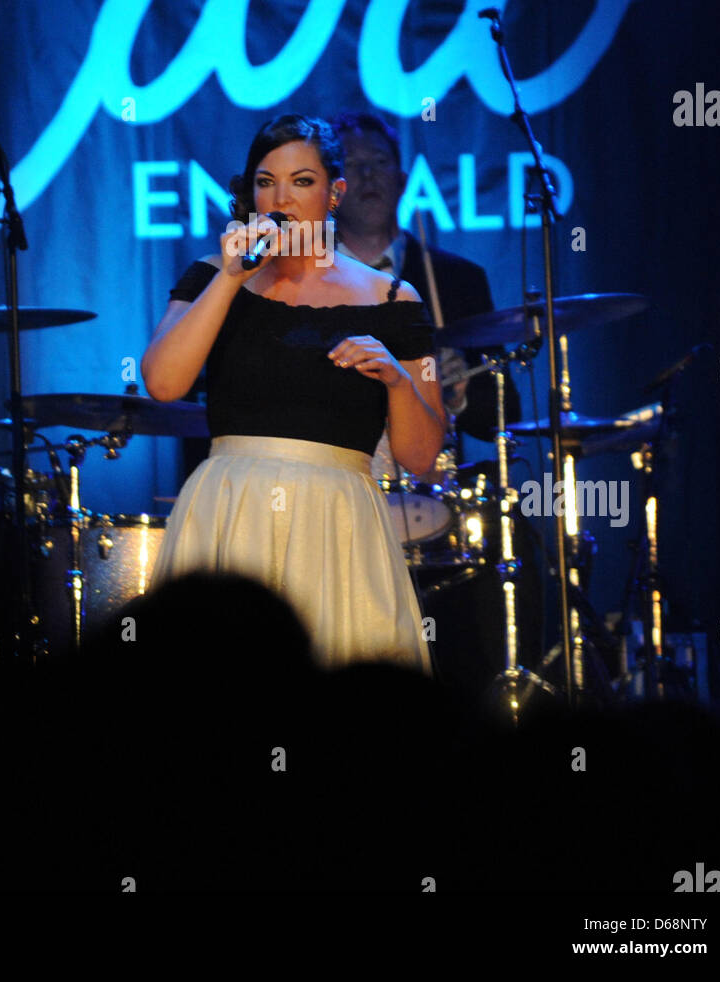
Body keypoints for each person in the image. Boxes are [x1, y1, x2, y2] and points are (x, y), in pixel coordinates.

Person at [141, 114, 444, 673]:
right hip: (230, 508)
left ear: (335, 192)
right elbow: (162, 383)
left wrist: (397, 380)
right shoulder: (212, 275)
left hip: (339, 521)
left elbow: (421, 456)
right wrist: (232, 277)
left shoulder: (394, 299)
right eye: (265, 181)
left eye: (302, 181)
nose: (281, 197)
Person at [330, 111, 520, 441]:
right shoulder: (302, 277)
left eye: (379, 161)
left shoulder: (458, 279)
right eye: (351, 164)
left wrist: (459, 393)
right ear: (332, 189)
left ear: (402, 181)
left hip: (429, 482)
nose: (368, 175)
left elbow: (504, 415)